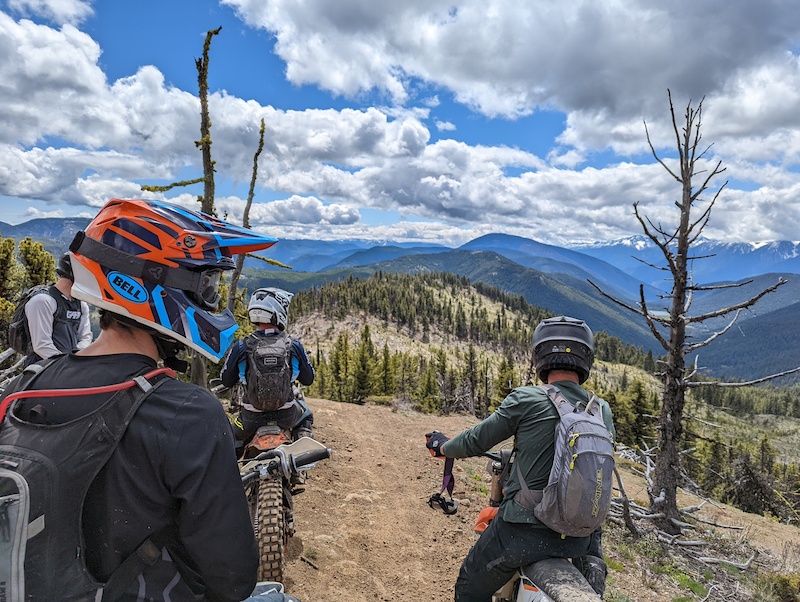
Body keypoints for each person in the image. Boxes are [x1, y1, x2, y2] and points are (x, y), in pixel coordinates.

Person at [2, 199, 278, 600]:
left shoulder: (23, 387)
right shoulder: (186, 412)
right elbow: (233, 576)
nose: (212, 300)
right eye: (207, 286)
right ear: (150, 283)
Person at [425, 315, 616, 602]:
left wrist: (442, 447)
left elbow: (476, 440)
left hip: (523, 533)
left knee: (467, 588)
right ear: (585, 358)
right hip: (581, 539)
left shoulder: (526, 399)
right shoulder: (601, 409)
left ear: (540, 356)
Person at [220, 287, 315, 447]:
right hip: (287, 415)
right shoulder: (293, 345)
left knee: (232, 437)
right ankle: (302, 456)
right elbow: (308, 378)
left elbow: (226, 379)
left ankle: (234, 469)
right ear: (279, 311)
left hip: (250, 419)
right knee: (306, 416)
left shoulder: (242, 345)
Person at [23, 253, 92, 365]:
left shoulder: (81, 305)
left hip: (67, 368)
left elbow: (85, 337)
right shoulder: (43, 301)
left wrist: (77, 358)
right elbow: (42, 345)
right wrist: (67, 365)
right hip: (40, 371)